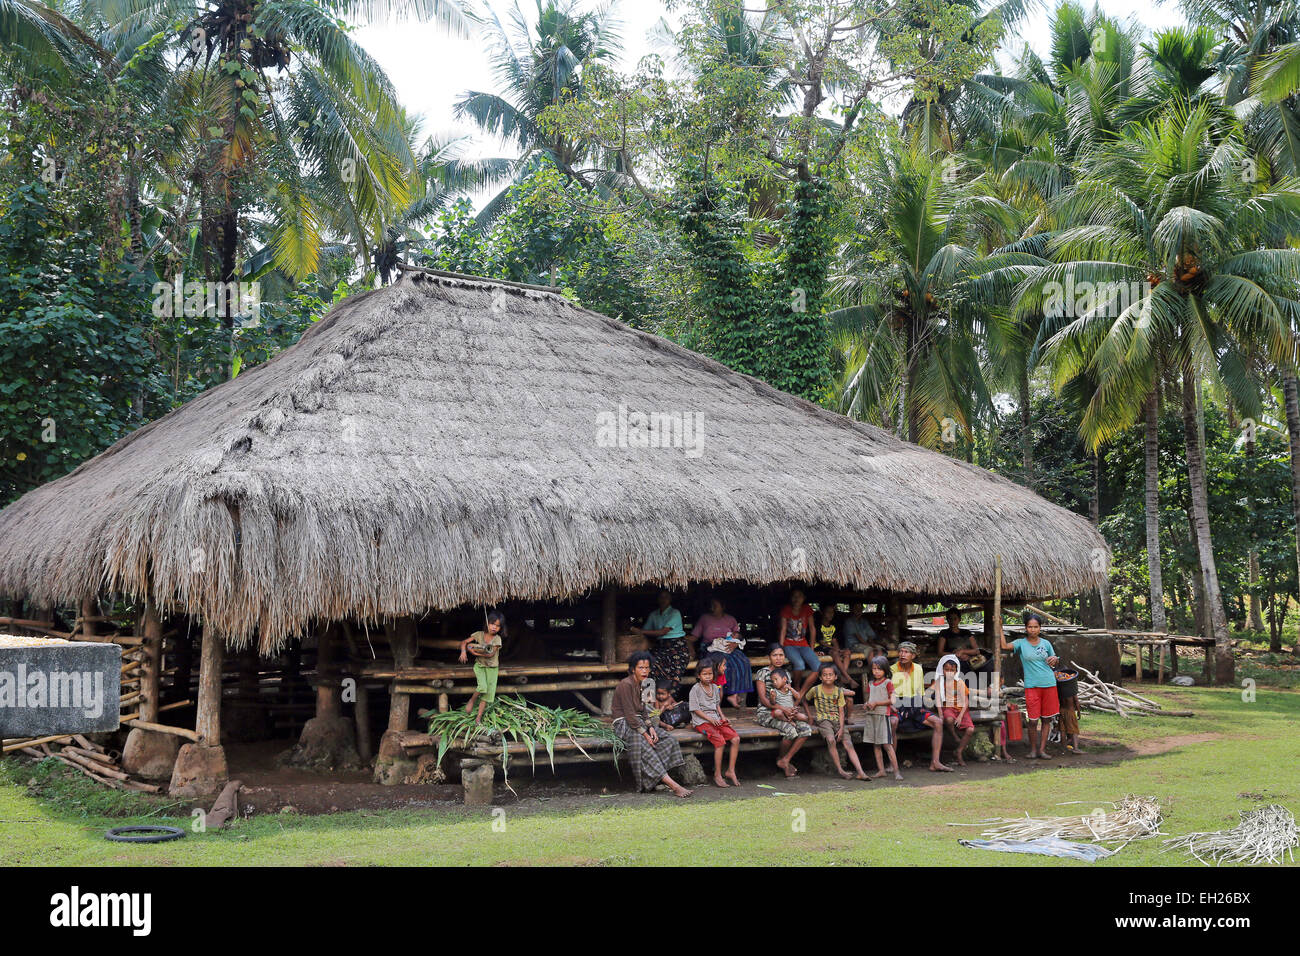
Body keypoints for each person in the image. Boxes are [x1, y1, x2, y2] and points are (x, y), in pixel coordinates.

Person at [610, 652, 693, 797]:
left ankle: (653, 780)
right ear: (633, 669)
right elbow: (630, 715)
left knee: (668, 739)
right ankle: (674, 785)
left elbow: (643, 710)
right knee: (643, 742)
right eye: (640, 667)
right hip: (624, 724)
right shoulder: (625, 685)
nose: (644, 671)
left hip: (640, 722)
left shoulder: (647, 683)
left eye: (647, 668)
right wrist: (646, 734)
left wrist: (651, 728)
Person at [999, 612, 1060, 759]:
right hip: (1032, 686)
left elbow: (1054, 659)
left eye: (1036, 627)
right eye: (1030, 627)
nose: (1033, 630)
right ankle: (1033, 750)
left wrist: (1054, 659)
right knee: (1032, 721)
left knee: (1046, 719)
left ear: (1040, 628)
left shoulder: (1046, 644)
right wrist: (1000, 627)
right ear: (1025, 628)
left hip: (1049, 684)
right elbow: (1004, 645)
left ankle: (1042, 750)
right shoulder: (1021, 643)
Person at [891, 641, 953, 772]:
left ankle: (935, 762)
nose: (903, 654)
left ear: (913, 655)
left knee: (938, 722)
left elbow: (919, 693)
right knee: (893, 722)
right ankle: (892, 763)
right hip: (899, 706)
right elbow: (891, 694)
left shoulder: (918, 669)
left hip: (915, 705)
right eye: (901, 651)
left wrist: (917, 706)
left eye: (906, 652)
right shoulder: (892, 669)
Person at [805, 663, 870, 780]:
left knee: (849, 744)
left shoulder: (839, 692)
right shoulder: (815, 690)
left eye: (830, 675)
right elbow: (805, 699)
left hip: (837, 720)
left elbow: (841, 711)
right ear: (820, 677)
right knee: (831, 740)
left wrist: (841, 728)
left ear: (835, 677)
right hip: (823, 720)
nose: (828, 677)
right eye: (825, 675)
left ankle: (861, 772)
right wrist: (809, 716)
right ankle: (840, 770)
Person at [755, 644, 809, 775]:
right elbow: (763, 699)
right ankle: (781, 759)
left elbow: (789, 696)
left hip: (785, 711)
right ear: (769, 657)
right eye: (775, 655)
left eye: (781, 655)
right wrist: (782, 708)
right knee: (791, 731)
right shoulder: (763, 673)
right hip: (766, 712)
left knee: (806, 730)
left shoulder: (786, 674)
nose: (778, 658)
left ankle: (785, 759)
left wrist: (792, 710)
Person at [692, 598, 754, 706]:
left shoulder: (731, 619)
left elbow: (738, 636)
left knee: (743, 661)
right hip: (710, 647)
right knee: (724, 662)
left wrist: (735, 644)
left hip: (728, 647)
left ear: (723, 607)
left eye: (715, 605)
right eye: (711, 605)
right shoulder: (704, 618)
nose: (712, 608)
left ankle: (736, 695)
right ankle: (720, 699)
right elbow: (695, 636)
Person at [689, 660, 741, 787]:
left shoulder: (714, 687)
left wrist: (722, 717)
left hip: (715, 719)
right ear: (698, 675)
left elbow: (716, 705)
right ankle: (717, 774)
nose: (708, 677)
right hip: (701, 721)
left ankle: (730, 771)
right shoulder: (695, 689)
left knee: (735, 738)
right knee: (720, 741)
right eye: (705, 674)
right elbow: (695, 709)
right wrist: (709, 719)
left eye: (710, 674)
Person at [631, 589, 691, 693]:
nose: (663, 600)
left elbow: (662, 632)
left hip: (677, 646)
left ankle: (668, 701)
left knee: (675, 672)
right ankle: (649, 700)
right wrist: (637, 631)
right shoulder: (654, 615)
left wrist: (640, 630)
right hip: (661, 647)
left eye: (666, 597)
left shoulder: (675, 613)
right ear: (657, 599)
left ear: (670, 599)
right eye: (661, 597)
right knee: (649, 667)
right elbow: (645, 632)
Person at [458, 611, 505, 725]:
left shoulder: (497, 639)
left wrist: (474, 653)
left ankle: (478, 718)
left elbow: (490, 654)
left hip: (492, 668)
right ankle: (472, 700)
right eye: (492, 624)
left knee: (487, 694)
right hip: (480, 666)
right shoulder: (479, 634)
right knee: (482, 687)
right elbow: (464, 642)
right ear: (487, 623)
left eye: (498, 626)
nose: (494, 627)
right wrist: (464, 652)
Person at [861, 656, 902, 779]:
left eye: (879, 669)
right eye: (874, 669)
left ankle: (896, 771)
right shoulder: (870, 684)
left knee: (887, 744)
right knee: (876, 744)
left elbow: (892, 700)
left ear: (885, 670)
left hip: (883, 715)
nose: (876, 671)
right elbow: (870, 699)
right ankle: (881, 770)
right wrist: (866, 704)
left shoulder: (888, 683)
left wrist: (877, 703)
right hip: (871, 715)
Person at [805, 602, 857, 692]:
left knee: (847, 652)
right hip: (820, 647)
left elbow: (834, 640)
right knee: (835, 653)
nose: (831, 614)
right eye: (828, 612)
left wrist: (838, 648)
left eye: (832, 612)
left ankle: (842, 675)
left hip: (830, 648)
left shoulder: (833, 626)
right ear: (822, 613)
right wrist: (834, 649)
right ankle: (848, 678)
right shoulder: (818, 626)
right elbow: (821, 642)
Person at [934, 654, 974, 766]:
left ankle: (959, 751)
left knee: (970, 730)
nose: (949, 672)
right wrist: (941, 714)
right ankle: (954, 735)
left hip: (961, 709)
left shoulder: (960, 682)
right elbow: (937, 699)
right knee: (950, 719)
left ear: (956, 671)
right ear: (942, 669)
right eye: (946, 670)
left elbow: (966, 701)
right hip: (948, 707)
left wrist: (961, 716)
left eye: (952, 670)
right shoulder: (939, 682)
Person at [776, 589, 821, 687]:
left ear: (804, 598)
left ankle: (802, 692)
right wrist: (780, 648)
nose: (797, 599)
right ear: (790, 598)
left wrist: (812, 649)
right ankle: (797, 687)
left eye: (799, 596)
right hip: (789, 644)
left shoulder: (807, 609)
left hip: (803, 644)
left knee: (818, 666)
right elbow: (783, 630)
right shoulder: (786, 609)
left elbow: (812, 629)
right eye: (794, 596)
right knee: (800, 664)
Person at [1056, 665, 1084, 752]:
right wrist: (1079, 712)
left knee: (1063, 730)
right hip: (1070, 711)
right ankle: (1076, 748)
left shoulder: (1060, 690)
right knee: (1074, 730)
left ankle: (1063, 747)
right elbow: (1076, 702)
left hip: (1061, 710)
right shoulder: (1072, 690)